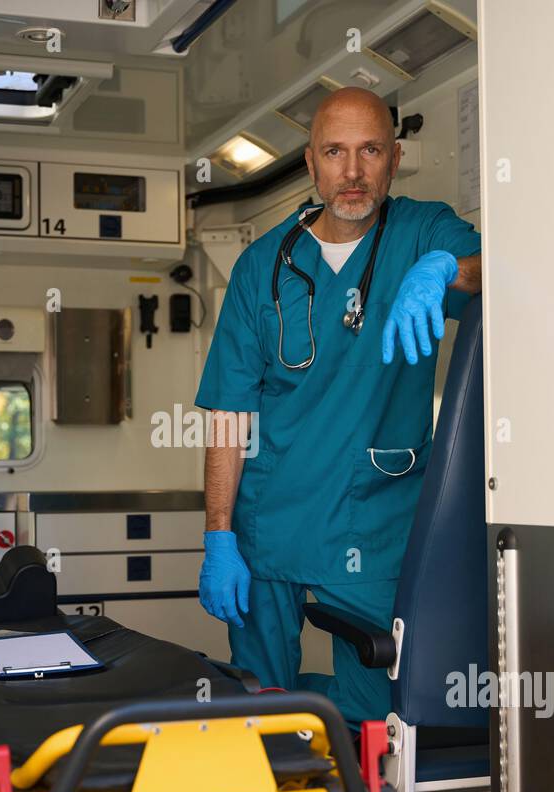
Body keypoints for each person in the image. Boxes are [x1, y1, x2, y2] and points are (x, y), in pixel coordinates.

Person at [194, 87, 482, 726]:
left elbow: (498, 268)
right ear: (310, 163)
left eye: (370, 150)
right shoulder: (260, 265)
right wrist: (218, 535)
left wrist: (443, 270)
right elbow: (228, 415)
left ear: (395, 156)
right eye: (335, 152)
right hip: (268, 527)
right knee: (262, 710)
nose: (352, 173)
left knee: (380, 717)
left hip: (375, 524)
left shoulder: (422, 232)